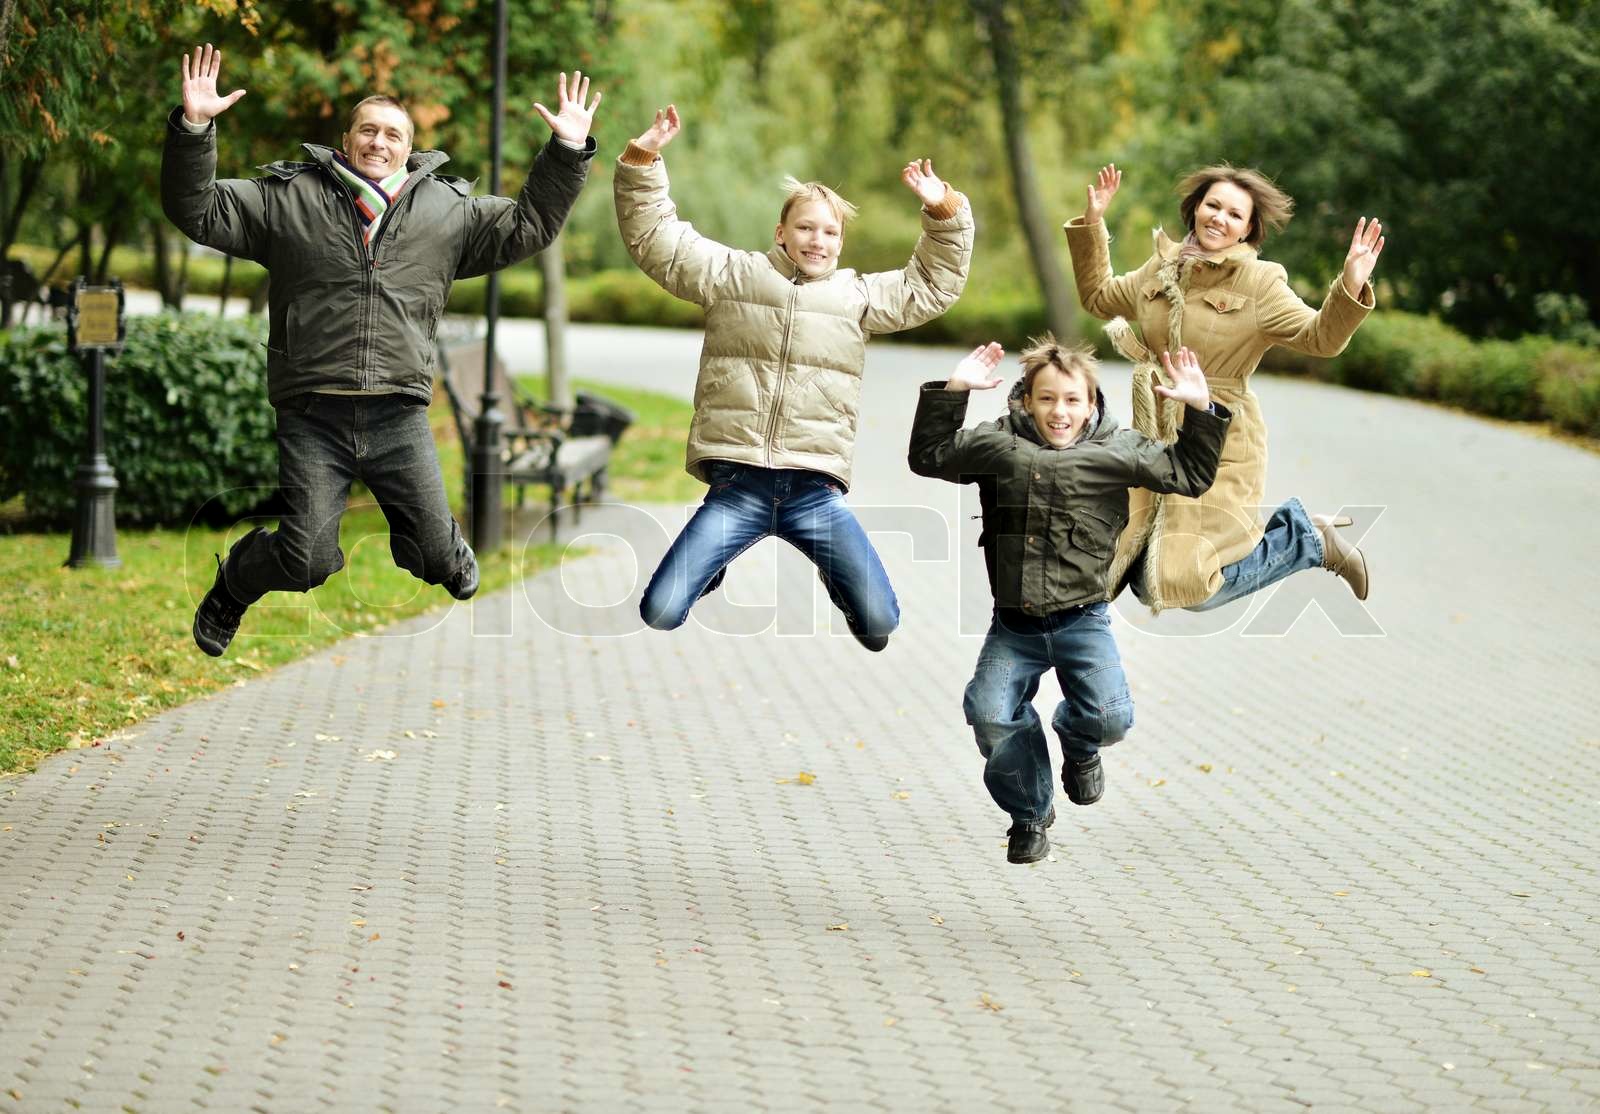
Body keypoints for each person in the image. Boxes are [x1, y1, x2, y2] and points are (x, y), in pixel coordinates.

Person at [163, 43, 601, 656]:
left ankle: (441, 548)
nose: (378, 141)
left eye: (393, 133)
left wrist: (566, 151)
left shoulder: (446, 211)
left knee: (434, 557)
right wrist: (194, 129)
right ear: (346, 141)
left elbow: (529, 224)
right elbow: (198, 209)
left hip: (398, 415)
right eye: (367, 130)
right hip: (312, 415)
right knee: (306, 559)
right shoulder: (287, 198)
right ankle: (236, 580)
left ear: (409, 148)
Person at [613, 105, 974, 651]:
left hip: (813, 491)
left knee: (879, 626)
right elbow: (657, 240)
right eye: (805, 227)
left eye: (830, 232)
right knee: (660, 612)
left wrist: (943, 211)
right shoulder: (734, 276)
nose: (817, 240)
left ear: (841, 243)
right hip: (738, 487)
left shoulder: (857, 298)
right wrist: (643, 159)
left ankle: (836, 575)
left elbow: (931, 285)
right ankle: (712, 563)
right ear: (781, 232)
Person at [909, 338, 1230, 864]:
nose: (1060, 411)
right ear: (1027, 400)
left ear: (1091, 403)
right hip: (1014, 627)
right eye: (1047, 398)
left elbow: (1190, 474)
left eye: (1072, 400)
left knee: (1110, 718)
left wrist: (1200, 409)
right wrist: (955, 390)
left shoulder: (1117, 450)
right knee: (989, 714)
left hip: (1083, 620)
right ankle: (1029, 815)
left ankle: (1079, 747)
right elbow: (930, 456)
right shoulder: (999, 444)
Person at [1063, 163, 1384, 613]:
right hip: (1156, 437)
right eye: (1213, 205)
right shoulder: (1162, 268)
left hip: (1219, 440)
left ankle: (1307, 540)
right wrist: (1093, 223)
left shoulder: (1260, 283)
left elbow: (1320, 338)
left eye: (1235, 214)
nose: (1220, 218)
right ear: (1195, 208)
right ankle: (1297, 531)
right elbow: (1099, 297)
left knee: (1185, 586)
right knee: (1137, 571)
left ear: (1248, 229)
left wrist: (1350, 284)